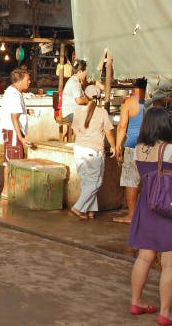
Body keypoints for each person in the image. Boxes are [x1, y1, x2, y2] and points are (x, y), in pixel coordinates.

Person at [126, 107, 172, 323]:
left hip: (147, 205)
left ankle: (136, 301)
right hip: (167, 206)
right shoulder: (169, 149)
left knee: (144, 257)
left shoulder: (138, 149)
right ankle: (165, 313)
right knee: (169, 263)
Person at [69, 85, 116, 220]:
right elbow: (109, 132)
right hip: (93, 150)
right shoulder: (102, 112)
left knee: (87, 181)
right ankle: (78, 207)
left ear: (85, 96)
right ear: (99, 98)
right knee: (95, 182)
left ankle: (90, 210)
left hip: (79, 149)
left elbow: (75, 131)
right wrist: (114, 147)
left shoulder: (78, 111)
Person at [113, 77, 147, 224]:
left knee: (131, 181)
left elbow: (122, 126)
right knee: (149, 181)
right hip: (150, 147)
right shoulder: (154, 102)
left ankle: (132, 215)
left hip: (133, 146)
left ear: (134, 86)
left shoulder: (129, 103)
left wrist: (117, 146)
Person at [0, 69, 32, 199]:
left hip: (12, 132)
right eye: (27, 80)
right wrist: (21, 138)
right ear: (19, 81)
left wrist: (27, 112)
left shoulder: (15, 92)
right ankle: (7, 190)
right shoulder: (14, 95)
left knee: (12, 161)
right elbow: (14, 118)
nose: (29, 82)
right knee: (12, 162)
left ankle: (9, 190)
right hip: (13, 133)